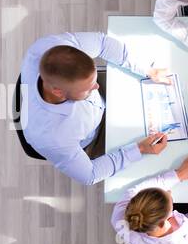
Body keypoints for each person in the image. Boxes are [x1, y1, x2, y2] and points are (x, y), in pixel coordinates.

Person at [19, 32, 171, 185]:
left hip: (96, 102)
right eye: (88, 88)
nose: (96, 86)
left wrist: (148, 70)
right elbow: (90, 174)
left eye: (94, 81)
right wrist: (140, 149)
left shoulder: (49, 48)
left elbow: (103, 44)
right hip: (94, 136)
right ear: (58, 92)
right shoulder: (53, 138)